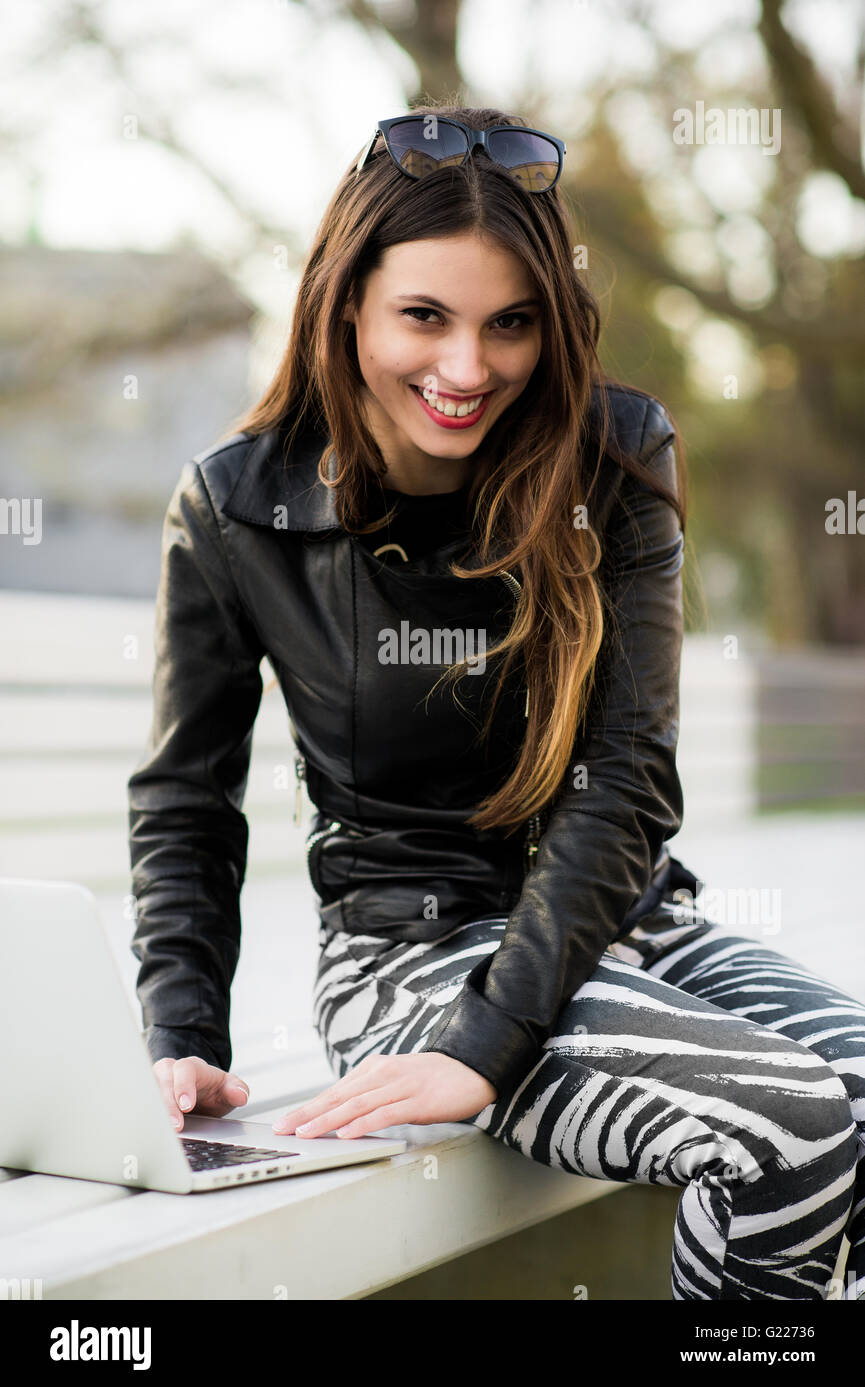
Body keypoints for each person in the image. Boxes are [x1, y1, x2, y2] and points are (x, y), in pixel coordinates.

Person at [127, 102, 864, 1300]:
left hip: (621, 926)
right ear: (346, 299)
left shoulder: (616, 456)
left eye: (510, 324)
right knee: (787, 1125)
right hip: (407, 956)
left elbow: (626, 778)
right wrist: (182, 1037)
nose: (468, 369)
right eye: (425, 316)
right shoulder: (235, 503)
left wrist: (497, 1039)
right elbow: (186, 801)